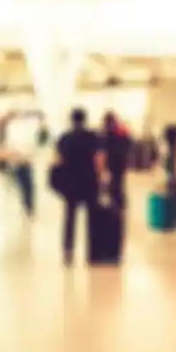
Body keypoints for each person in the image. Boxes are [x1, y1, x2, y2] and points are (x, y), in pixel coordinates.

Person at [54, 108, 101, 266]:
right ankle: (92, 251)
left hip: (71, 183)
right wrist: (101, 178)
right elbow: (98, 160)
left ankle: (68, 251)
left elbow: (58, 161)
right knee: (92, 218)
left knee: (70, 218)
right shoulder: (93, 137)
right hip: (89, 181)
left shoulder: (64, 138)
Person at [101, 111, 131, 211]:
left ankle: (117, 203)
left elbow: (104, 150)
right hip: (120, 162)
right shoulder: (122, 131)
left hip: (112, 163)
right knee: (118, 183)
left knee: (114, 184)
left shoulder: (107, 134)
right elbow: (128, 145)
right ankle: (120, 203)